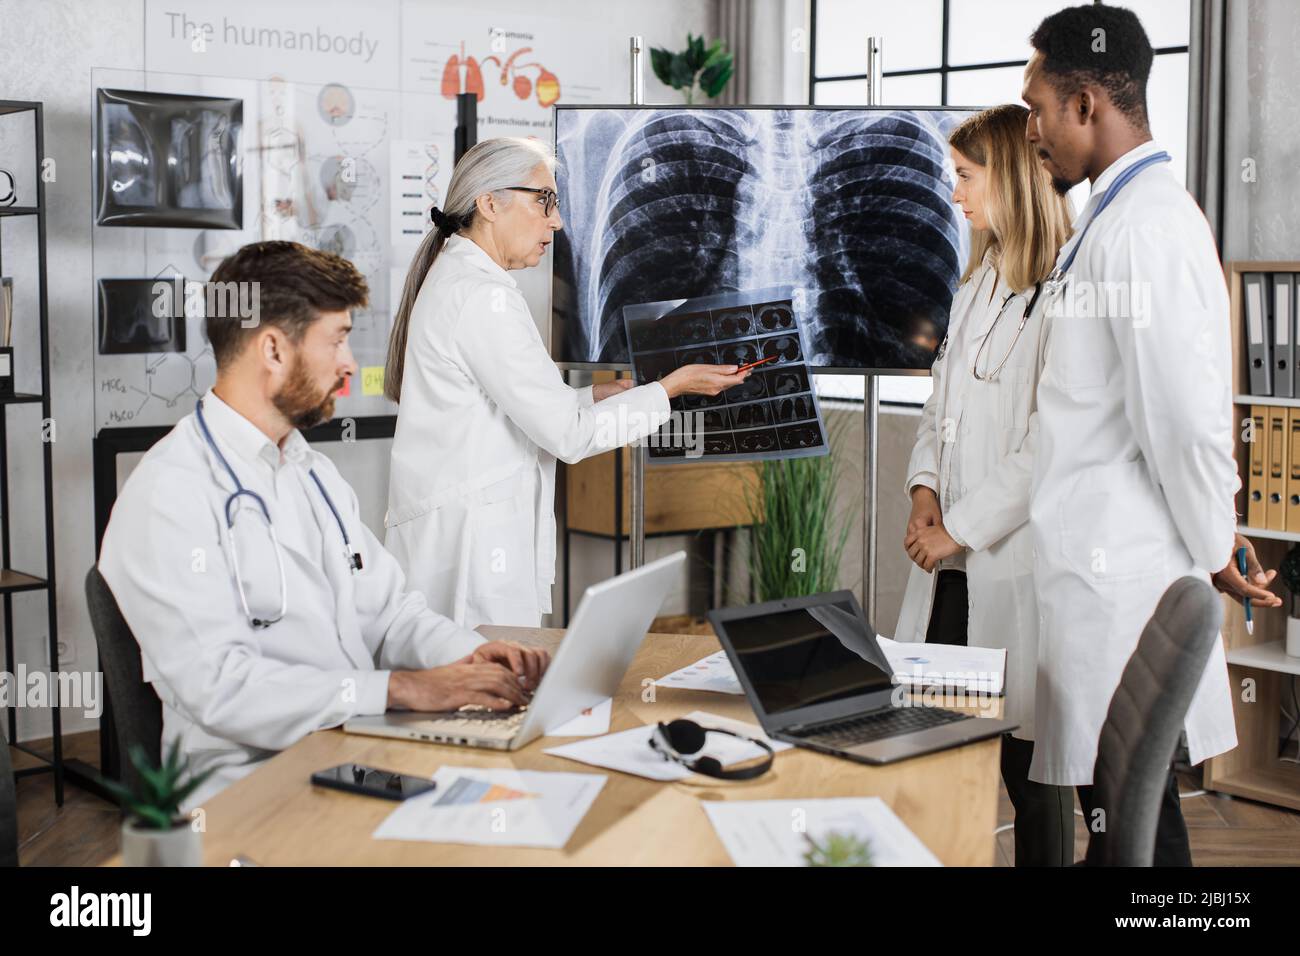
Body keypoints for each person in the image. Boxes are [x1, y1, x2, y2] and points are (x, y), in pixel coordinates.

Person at [98, 241, 550, 808]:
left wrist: (467, 656)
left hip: (357, 749)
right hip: (250, 786)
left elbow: (390, 614)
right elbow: (223, 688)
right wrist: (402, 688)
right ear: (273, 349)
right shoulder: (170, 493)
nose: (349, 365)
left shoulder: (311, 471)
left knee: (527, 801)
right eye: (336, 339)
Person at [1021, 4, 1280, 865]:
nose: (1032, 132)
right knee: (1126, 825)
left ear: (1087, 104)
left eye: (1039, 108)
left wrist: (1216, 545)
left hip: (1119, 585)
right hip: (1097, 572)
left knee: (1135, 829)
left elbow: (1186, 419)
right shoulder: (1111, 218)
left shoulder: (1147, 228)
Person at [383, 137, 748, 628]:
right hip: (473, 548)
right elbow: (568, 436)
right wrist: (671, 389)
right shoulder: (480, 296)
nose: (555, 221)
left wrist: (589, 395)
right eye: (544, 201)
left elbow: (506, 403)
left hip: (469, 535)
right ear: (489, 204)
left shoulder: (465, 282)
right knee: (490, 692)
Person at [895, 104, 1075, 866]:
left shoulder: (1067, 290)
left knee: (1031, 775)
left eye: (966, 176)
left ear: (1013, 176)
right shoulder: (977, 283)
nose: (954, 192)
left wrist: (959, 526)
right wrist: (925, 492)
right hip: (952, 564)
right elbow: (940, 407)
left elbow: (1049, 445)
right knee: (932, 741)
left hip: (1010, 558)